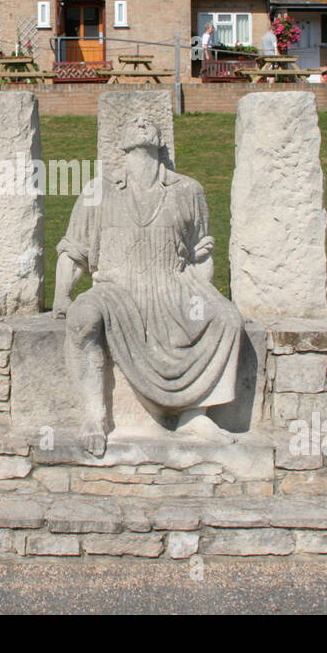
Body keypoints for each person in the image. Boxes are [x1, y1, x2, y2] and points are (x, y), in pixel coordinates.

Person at [53, 114, 244, 457]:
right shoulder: (97, 191)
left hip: (172, 283)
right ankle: (95, 416)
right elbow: (73, 251)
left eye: (148, 121)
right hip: (115, 288)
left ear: (161, 140)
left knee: (227, 317)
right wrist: (61, 297)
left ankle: (194, 414)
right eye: (133, 121)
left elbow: (200, 253)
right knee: (83, 318)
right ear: (121, 141)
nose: (142, 123)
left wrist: (204, 295)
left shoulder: (188, 190)